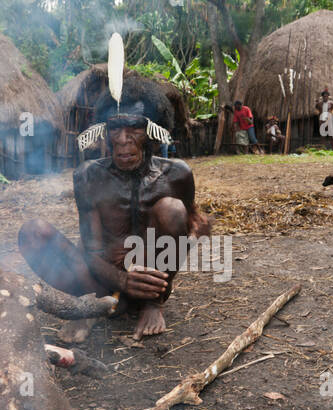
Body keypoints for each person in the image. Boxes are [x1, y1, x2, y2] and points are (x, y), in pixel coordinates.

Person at [19, 91, 210, 340]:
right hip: (98, 280)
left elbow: (187, 231)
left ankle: (150, 305)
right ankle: (92, 305)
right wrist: (121, 280)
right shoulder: (89, 175)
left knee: (172, 209)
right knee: (33, 232)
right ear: (105, 134)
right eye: (115, 130)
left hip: (150, 282)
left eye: (134, 129)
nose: (123, 140)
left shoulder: (177, 174)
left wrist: (195, 231)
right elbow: (91, 250)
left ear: (152, 132)